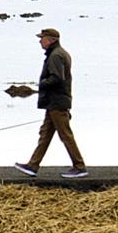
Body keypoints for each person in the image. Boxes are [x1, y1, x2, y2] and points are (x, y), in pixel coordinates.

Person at [14, 27, 88, 178]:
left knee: (65, 135)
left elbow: (57, 78)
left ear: (51, 40)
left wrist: (42, 84)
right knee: (45, 134)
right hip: (54, 102)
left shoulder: (56, 55)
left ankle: (79, 166)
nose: (40, 41)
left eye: (42, 38)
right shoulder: (58, 53)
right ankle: (32, 165)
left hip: (57, 102)